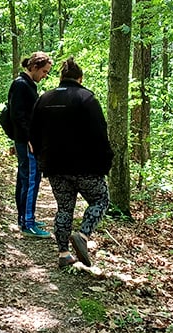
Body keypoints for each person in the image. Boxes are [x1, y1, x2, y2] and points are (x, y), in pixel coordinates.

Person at [29, 57, 113, 268]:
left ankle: (63, 253)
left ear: (61, 77)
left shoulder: (44, 99)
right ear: (80, 78)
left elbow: (33, 134)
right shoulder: (87, 98)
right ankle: (83, 234)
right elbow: (100, 134)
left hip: (55, 167)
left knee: (64, 208)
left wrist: (42, 160)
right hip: (85, 168)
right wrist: (106, 163)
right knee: (101, 199)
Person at [7, 51, 53, 237]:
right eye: (44, 71)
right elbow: (17, 115)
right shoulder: (20, 85)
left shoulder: (27, 84)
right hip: (27, 143)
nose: (45, 75)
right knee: (31, 180)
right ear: (33, 67)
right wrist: (28, 139)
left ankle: (25, 218)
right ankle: (28, 223)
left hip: (27, 141)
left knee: (25, 179)